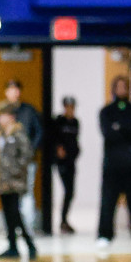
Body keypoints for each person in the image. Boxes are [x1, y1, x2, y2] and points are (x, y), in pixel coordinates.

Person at [97, 76, 131, 250]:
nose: (122, 89)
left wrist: (120, 126)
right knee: (108, 201)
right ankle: (105, 234)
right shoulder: (106, 111)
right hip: (112, 165)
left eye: (124, 87)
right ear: (114, 89)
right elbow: (109, 133)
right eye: (118, 86)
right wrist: (129, 127)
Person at [0, 80, 42, 234]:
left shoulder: (28, 113)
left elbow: (38, 133)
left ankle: (27, 229)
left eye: (16, 89)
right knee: (8, 203)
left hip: (23, 165)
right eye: (10, 89)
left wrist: (26, 157)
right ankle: (12, 233)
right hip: (5, 168)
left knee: (26, 196)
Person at [0, 107, 38, 260]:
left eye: (2, 116)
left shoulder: (19, 134)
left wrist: (16, 170)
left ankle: (29, 243)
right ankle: (12, 245)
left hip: (14, 180)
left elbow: (27, 154)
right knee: (7, 214)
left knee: (15, 213)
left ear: (11, 117)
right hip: (2, 180)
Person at [48, 95, 82, 234]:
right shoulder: (58, 121)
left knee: (70, 192)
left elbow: (75, 140)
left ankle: (64, 220)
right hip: (61, 162)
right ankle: (62, 220)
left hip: (71, 161)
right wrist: (58, 149)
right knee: (67, 189)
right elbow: (53, 138)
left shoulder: (75, 122)